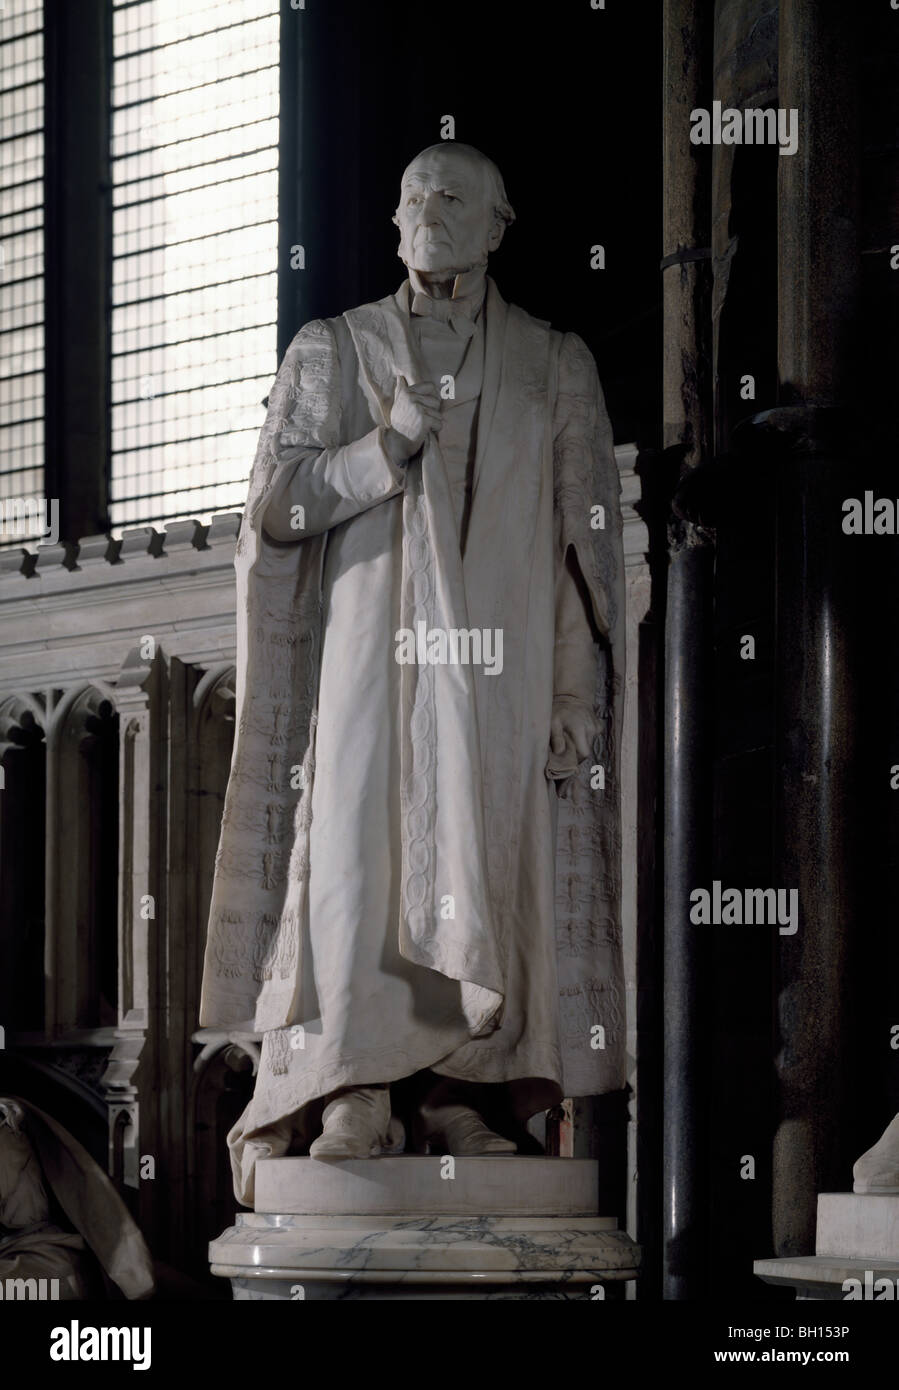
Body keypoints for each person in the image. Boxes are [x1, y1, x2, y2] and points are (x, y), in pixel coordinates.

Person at [200, 143, 625, 1205]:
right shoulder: (334, 349)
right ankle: (352, 1083)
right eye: (413, 196)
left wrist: (578, 693)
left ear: (496, 224)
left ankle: (459, 1094)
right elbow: (272, 510)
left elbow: (587, 545)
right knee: (353, 857)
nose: (430, 210)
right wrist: (375, 454)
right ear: (393, 225)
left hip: (503, 674)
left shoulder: (552, 359)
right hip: (367, 664)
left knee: (487, 857)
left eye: (455, 196)